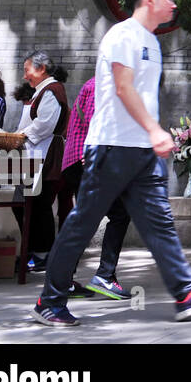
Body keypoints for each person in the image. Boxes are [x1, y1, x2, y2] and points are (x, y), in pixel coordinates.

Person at [32, 0, 191, 326]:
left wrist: (152, 138)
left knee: (160, 225)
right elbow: (124, 89)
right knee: (82, 224)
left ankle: (187, 293)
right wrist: (155, 130)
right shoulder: (123, 35)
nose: (174, 3)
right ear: (149, 0)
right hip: (112, 147)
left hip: (141, 153)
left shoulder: (151, 42)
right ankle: (49, 301)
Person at [57, 76, 134, 300]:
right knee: (114, 215)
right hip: (86, 161)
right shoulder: (101, 84)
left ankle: (65, 280)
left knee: (88, 220)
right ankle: (103, 277)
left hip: (82, 160)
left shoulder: (104, 83)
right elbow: (97, 123)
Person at [10, 53, 70, 271]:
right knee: (28, 205)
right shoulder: (42, 91)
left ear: (42, 68)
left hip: (47, 155)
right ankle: (33, 250)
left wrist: (22, 136)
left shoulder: (52, 90)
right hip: (34, 153)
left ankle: (43, 253)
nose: (26, 76)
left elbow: (45, 123)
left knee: (41, 205)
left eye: (28, 70)